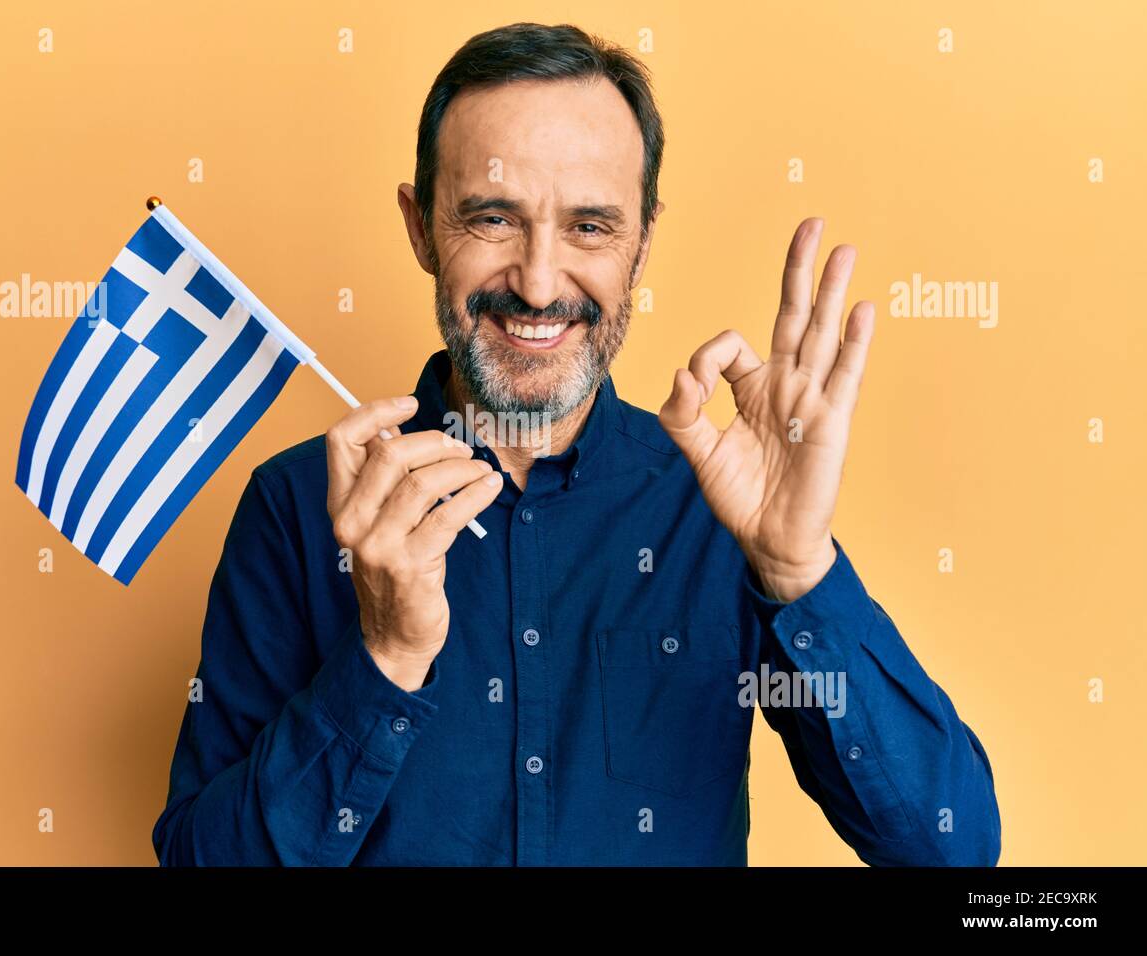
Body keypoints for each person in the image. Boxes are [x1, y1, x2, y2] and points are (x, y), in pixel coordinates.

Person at [152, 21, 1001, 866]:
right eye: (492, 218)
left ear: (642, 243)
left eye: (590, 226)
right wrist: (384, 658)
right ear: (419, 228)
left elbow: (951, 851)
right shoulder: (298, 507)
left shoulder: (720, 507)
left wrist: (799, 573)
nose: (540, 281)